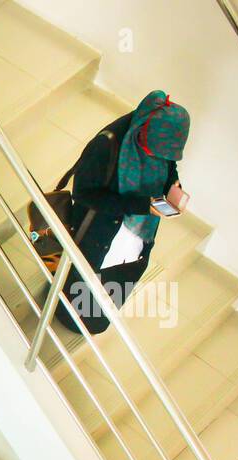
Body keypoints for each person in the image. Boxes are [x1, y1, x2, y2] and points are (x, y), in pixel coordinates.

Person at [56, 90, 190, 334]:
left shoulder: (155, 139)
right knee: (83, 287)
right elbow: (84, 194)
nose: (157, 158)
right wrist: (142, 206)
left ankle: (92, 319)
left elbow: (169, 163)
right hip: (101, 236)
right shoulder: (107, 146)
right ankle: (67, 316)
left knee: (111, 291)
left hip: (139, 237)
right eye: (153, 153)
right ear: (144, 132)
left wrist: (174, 184)